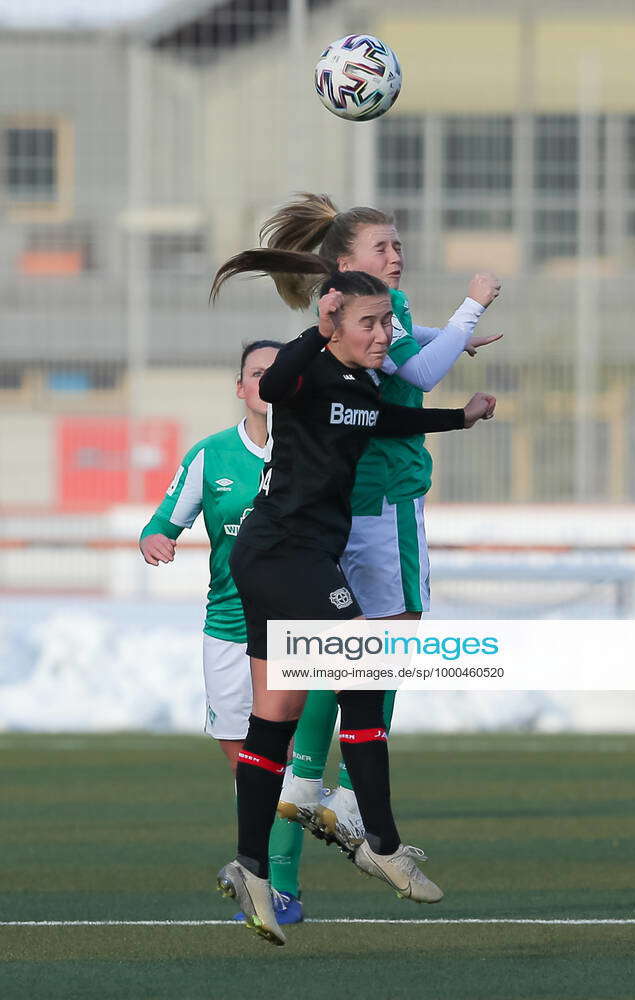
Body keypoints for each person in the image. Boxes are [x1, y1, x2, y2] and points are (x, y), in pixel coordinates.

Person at [209, 254, 496, 946]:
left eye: (387, 323)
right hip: (285, 553)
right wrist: (318, 323)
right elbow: (276, 382)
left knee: (272, 716)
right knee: (363, 668)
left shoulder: (360, 386)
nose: (383, 334)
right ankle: (383, 844)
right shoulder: (305, 371)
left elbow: (388, 424)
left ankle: (250, 868)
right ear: (335, 322)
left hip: (281, 558)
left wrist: (461, 418)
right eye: (370, 323)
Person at [138, 341, 310, 925]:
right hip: (229, 627)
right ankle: (269, 860)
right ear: (240, 387)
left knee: (283, 754)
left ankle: (275, 881)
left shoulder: (314, 448)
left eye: (277, 373)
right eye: (257, 374)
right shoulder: (210, 456)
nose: (267, 382)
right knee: (245, 762)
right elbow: (161, 522)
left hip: (297, 628)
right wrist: (154, 539)